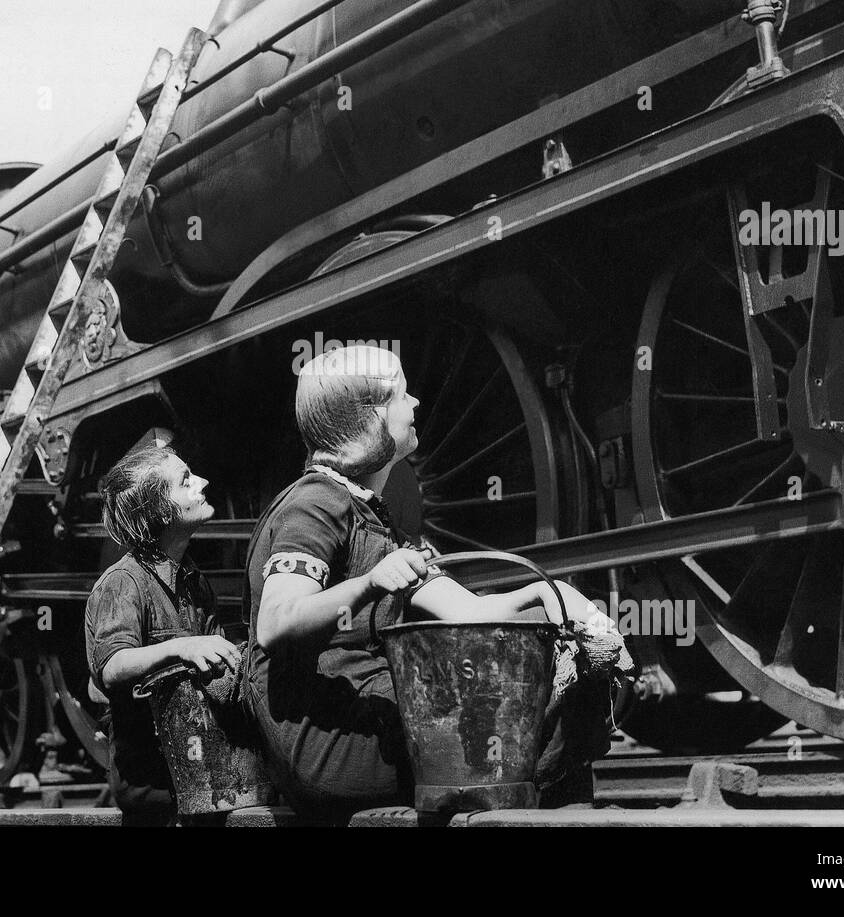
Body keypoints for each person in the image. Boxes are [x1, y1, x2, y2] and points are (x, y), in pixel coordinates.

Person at [243, 344, 603, 819]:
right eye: (402, 396)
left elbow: (471, 612)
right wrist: (370, 583)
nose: (414, 406)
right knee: (521, 724)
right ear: (366, 416)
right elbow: (275, 622)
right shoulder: (315, 504)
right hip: (329, 737)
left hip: (373, 713)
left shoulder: (373, 518)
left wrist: (552, 598)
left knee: (544, 692)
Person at [84, 442, 241, 825]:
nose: (201, 483)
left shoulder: (193, 581)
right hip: (152, 787)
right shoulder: (123, 583)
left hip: (197, 772)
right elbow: (113, 665)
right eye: (185, 480)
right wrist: (183, 647)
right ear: (157, 510)